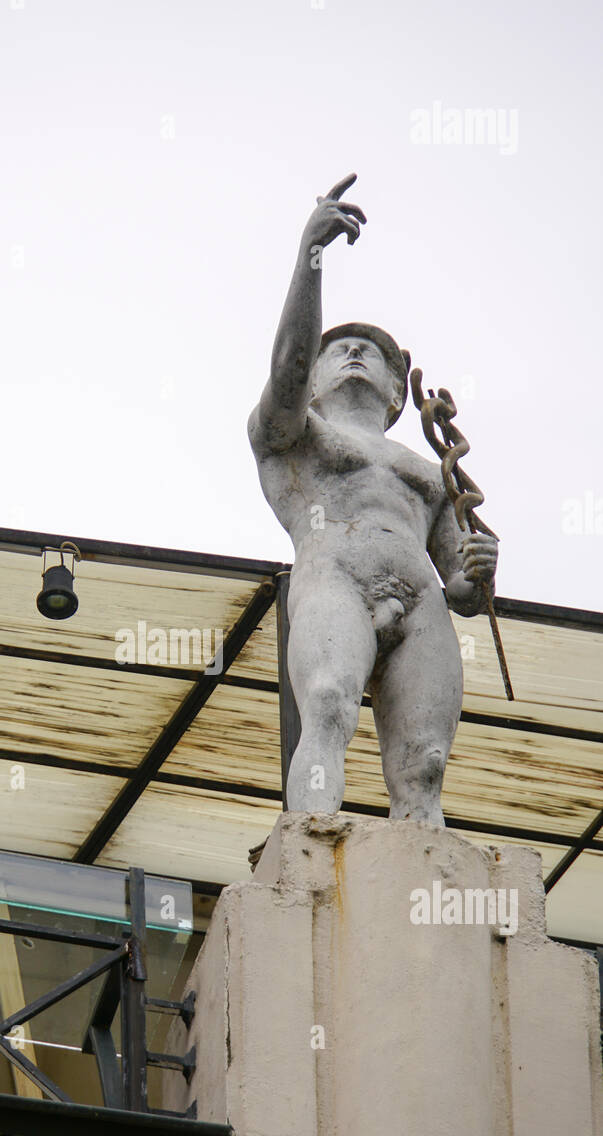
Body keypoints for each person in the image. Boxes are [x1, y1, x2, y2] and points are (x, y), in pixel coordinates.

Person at [248, 174, 498, 825]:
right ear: (316, 373)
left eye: (374, 353)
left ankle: (424, 880)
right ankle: (307, 842)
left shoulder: (429, 471)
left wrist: (476, 569)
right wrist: (310, 255)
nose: (354, 351)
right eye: (339, 348)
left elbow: (462, 592)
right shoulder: (296, 435)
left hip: (419, 596)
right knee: (327, 704)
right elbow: (286, 372)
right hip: (334, 575)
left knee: (424, 761)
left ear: (396, 393)